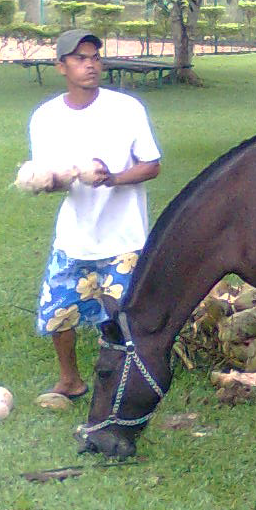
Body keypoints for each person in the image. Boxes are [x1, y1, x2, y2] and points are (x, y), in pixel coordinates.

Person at [25, 29, 161, 408]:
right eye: (80, 58)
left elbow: (152, 166)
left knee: (120, 318)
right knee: (59, 312)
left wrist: (113, 179)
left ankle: (123, 380)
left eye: (95, 58)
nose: (90, 64)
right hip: (76, 234)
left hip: (124, 236)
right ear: (61, 67)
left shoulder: (126, 109)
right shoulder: (46, 117)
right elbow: (51, 176)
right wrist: (46, 182)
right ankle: (69, 380)